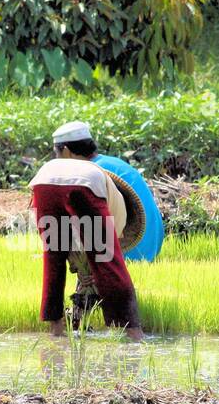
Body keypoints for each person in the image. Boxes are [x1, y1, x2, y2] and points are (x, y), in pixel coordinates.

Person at [29, 126, 145, 341]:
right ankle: (134, 332)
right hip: (85, 187)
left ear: (63, 150)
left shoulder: (50, 166)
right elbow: (111, 238)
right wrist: (96, 267)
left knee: (53, 258)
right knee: (108, 261)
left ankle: (55, 329)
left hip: (42, 184)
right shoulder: (97, 173)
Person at [53, 120, 164, 262]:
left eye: (56, 153)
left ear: (66, 151)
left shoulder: (90, 174)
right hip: (152, 246)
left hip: (130, 251)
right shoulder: (113, 163)